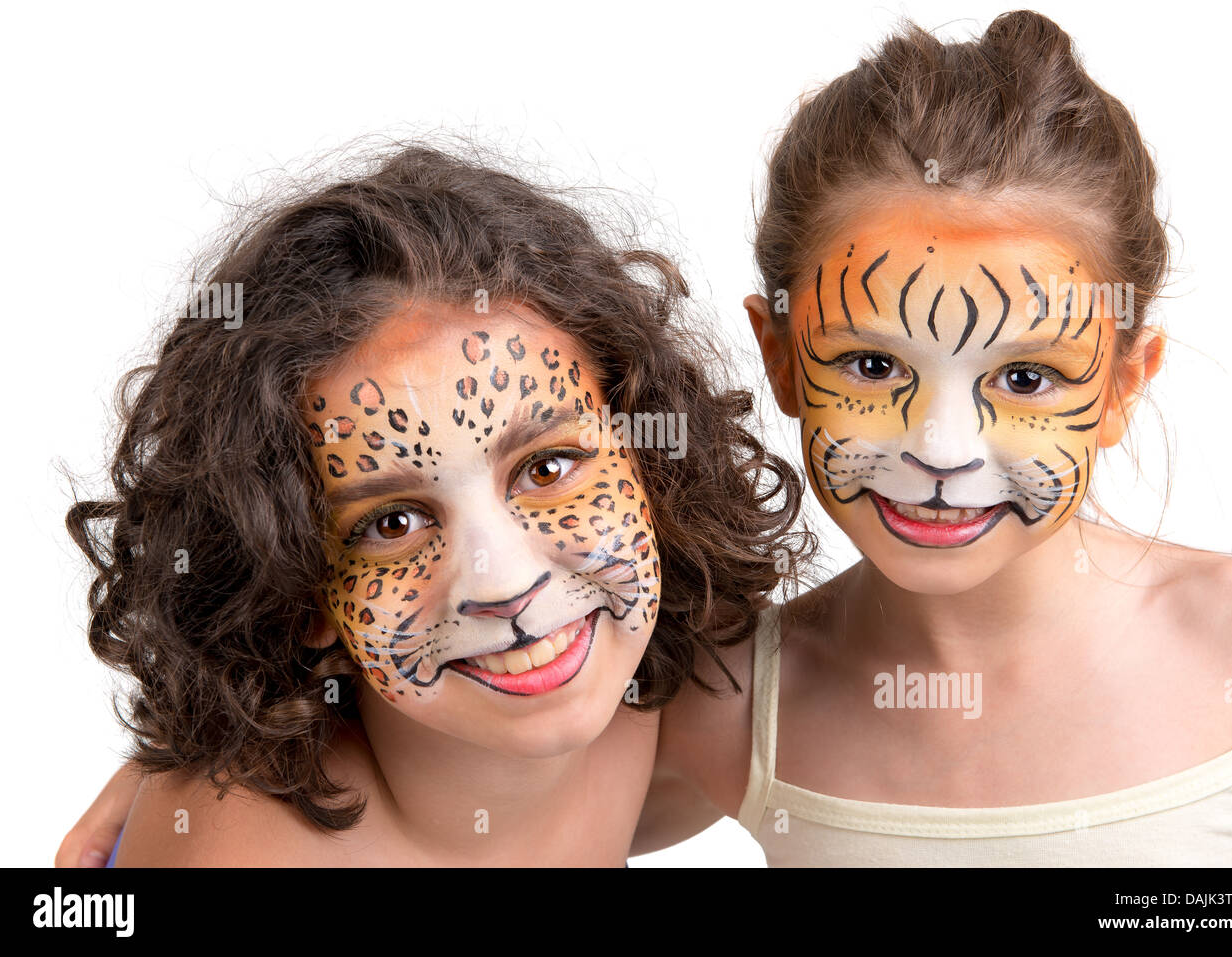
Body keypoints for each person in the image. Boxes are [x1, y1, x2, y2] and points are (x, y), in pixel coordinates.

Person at [643, 10, 1232, 866]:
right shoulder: (726, 704)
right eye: (872, 364)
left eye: (1026, 378)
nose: (943, 451)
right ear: (782, 358)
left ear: (1124, 382)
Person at [58, 144, 806, 866]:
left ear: (646, 465)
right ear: (297, 591)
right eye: (393, 523)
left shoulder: (662, 689)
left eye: (547, 466)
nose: (506, 584)